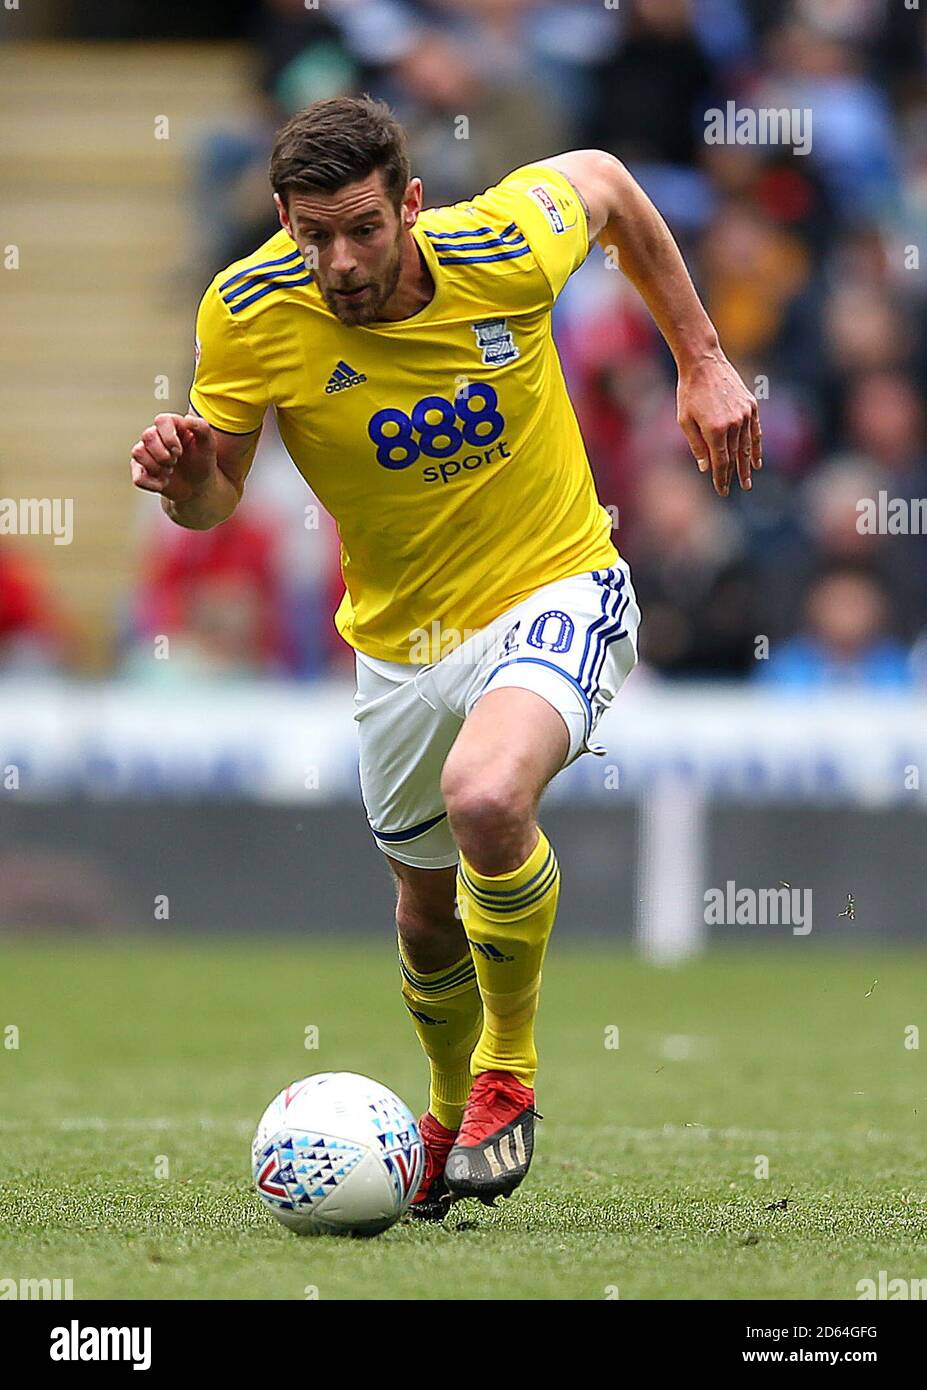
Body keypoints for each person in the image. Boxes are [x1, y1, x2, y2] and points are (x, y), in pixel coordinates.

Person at [129, 94, 760, 1218]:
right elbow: (217, 498)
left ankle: (506, 1076)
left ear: (411, 204)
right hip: (401, 648)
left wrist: (701, 359)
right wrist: (190, 485)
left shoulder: (503, 246)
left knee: (485, 796)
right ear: (282, 220)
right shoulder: (244, 311)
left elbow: (609, 182)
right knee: (425, 920)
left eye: (363, 228)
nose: (340, 259)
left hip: (557, 585)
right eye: (312, 234)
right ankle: (439, 1115)